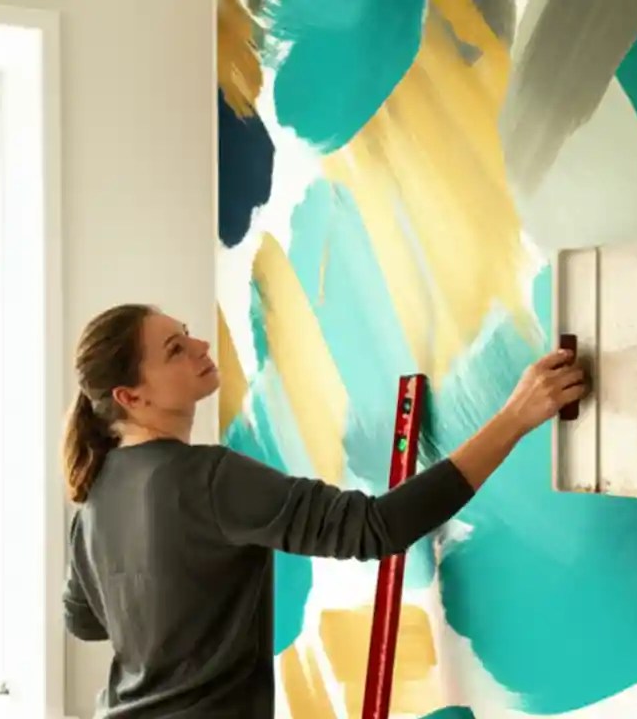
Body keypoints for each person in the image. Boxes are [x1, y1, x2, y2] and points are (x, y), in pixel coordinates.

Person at [62, 304, 586, 718]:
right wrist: (515, 417)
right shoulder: (206, 478)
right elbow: (374, 528)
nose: (199, 346)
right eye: (175, 349)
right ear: (131, 396)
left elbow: (84, 620)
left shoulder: (96, 494)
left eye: (187, 332)